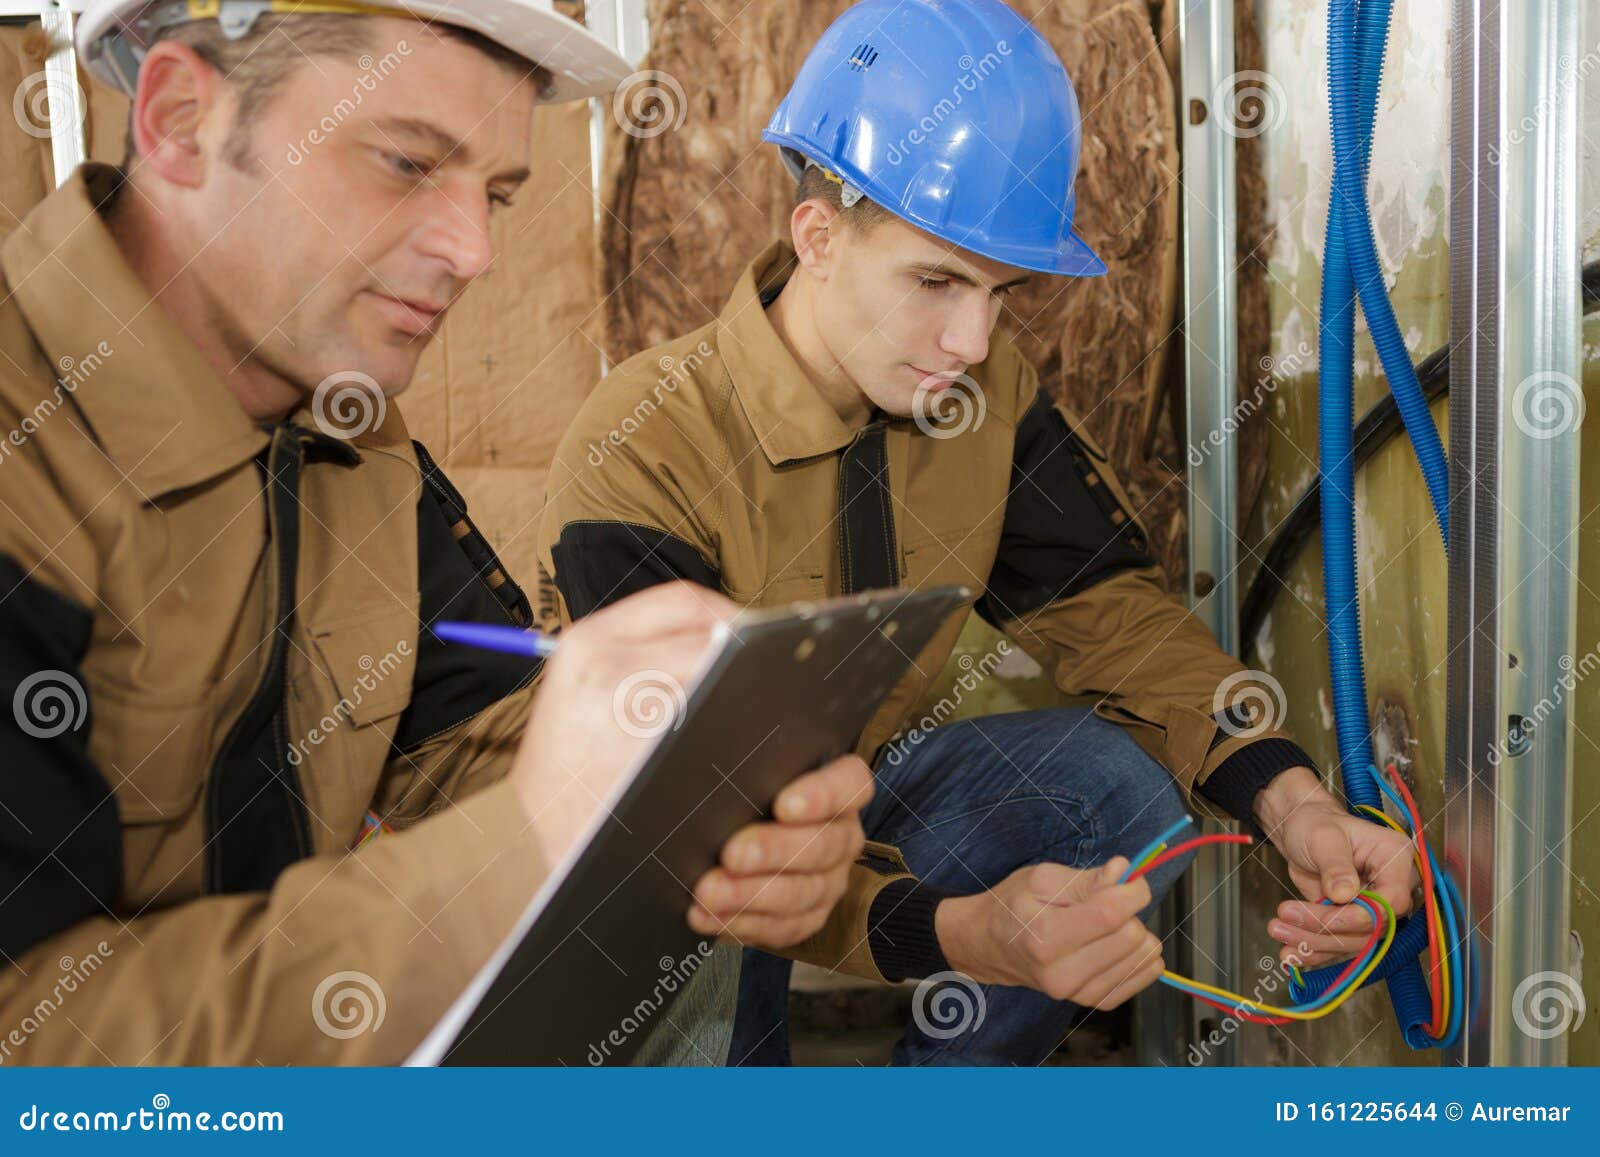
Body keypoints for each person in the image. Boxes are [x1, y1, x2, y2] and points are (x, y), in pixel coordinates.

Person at [539, 0, 1419, 1065]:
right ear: (815, 237)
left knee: (1113, 793)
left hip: (858, 801)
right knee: (691, 949)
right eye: (935, 281)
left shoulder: (980, 393)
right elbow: (680, 818)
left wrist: (1293, 803)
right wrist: (964, 932)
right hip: (688, 861)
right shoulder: (645, 442)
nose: (971, 339)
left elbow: (1114, 618)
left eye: (1000, 291)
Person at [0, 0, 875, 1066]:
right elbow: (32, 1051)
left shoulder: (351, 430)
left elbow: (472, 724)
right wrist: (521, 847)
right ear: (180, 119)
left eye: (498, 193)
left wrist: (696, 789)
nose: (475, 251)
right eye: (408, 163)